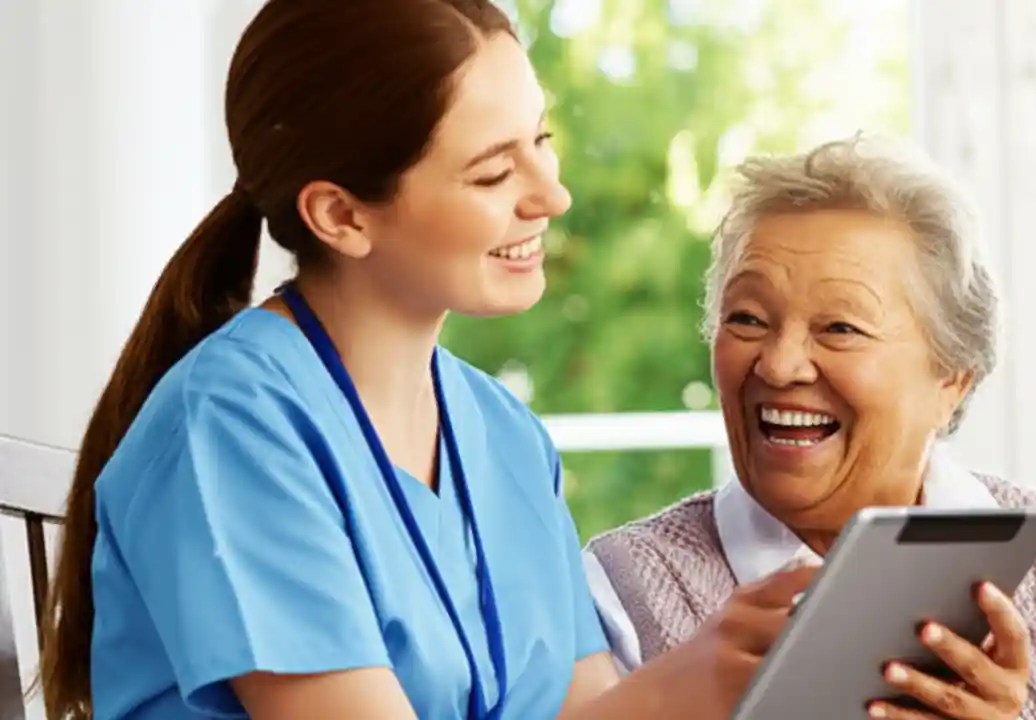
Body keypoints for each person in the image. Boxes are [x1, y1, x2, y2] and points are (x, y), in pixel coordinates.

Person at [37, 2, 819, 719]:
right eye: (493, 171)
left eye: (541, 141)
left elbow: (584, 709)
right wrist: (679, 687)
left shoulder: (505, 436)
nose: (551, 195)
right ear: (341, 214)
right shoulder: (233, 425)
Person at [584, 136, 1036, 720]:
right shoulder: (619, 588)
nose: (778, 365)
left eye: (840, 327)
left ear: (953, 379)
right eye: (748, 318)